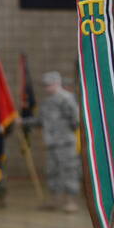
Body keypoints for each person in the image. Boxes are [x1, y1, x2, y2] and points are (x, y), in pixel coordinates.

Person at [23, 71, 81, 212]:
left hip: (65, 143)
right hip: (51, 144)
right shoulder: (47, 102)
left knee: (69, 171)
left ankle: (71, 201)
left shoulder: (67, 99)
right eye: (45, 86)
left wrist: (64, 133)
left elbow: (76, 120)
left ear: (57, 83)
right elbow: (40, 121)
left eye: (48, 85)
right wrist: (23, 122)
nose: (46, 88)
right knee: (52, 172)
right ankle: (55, 201)